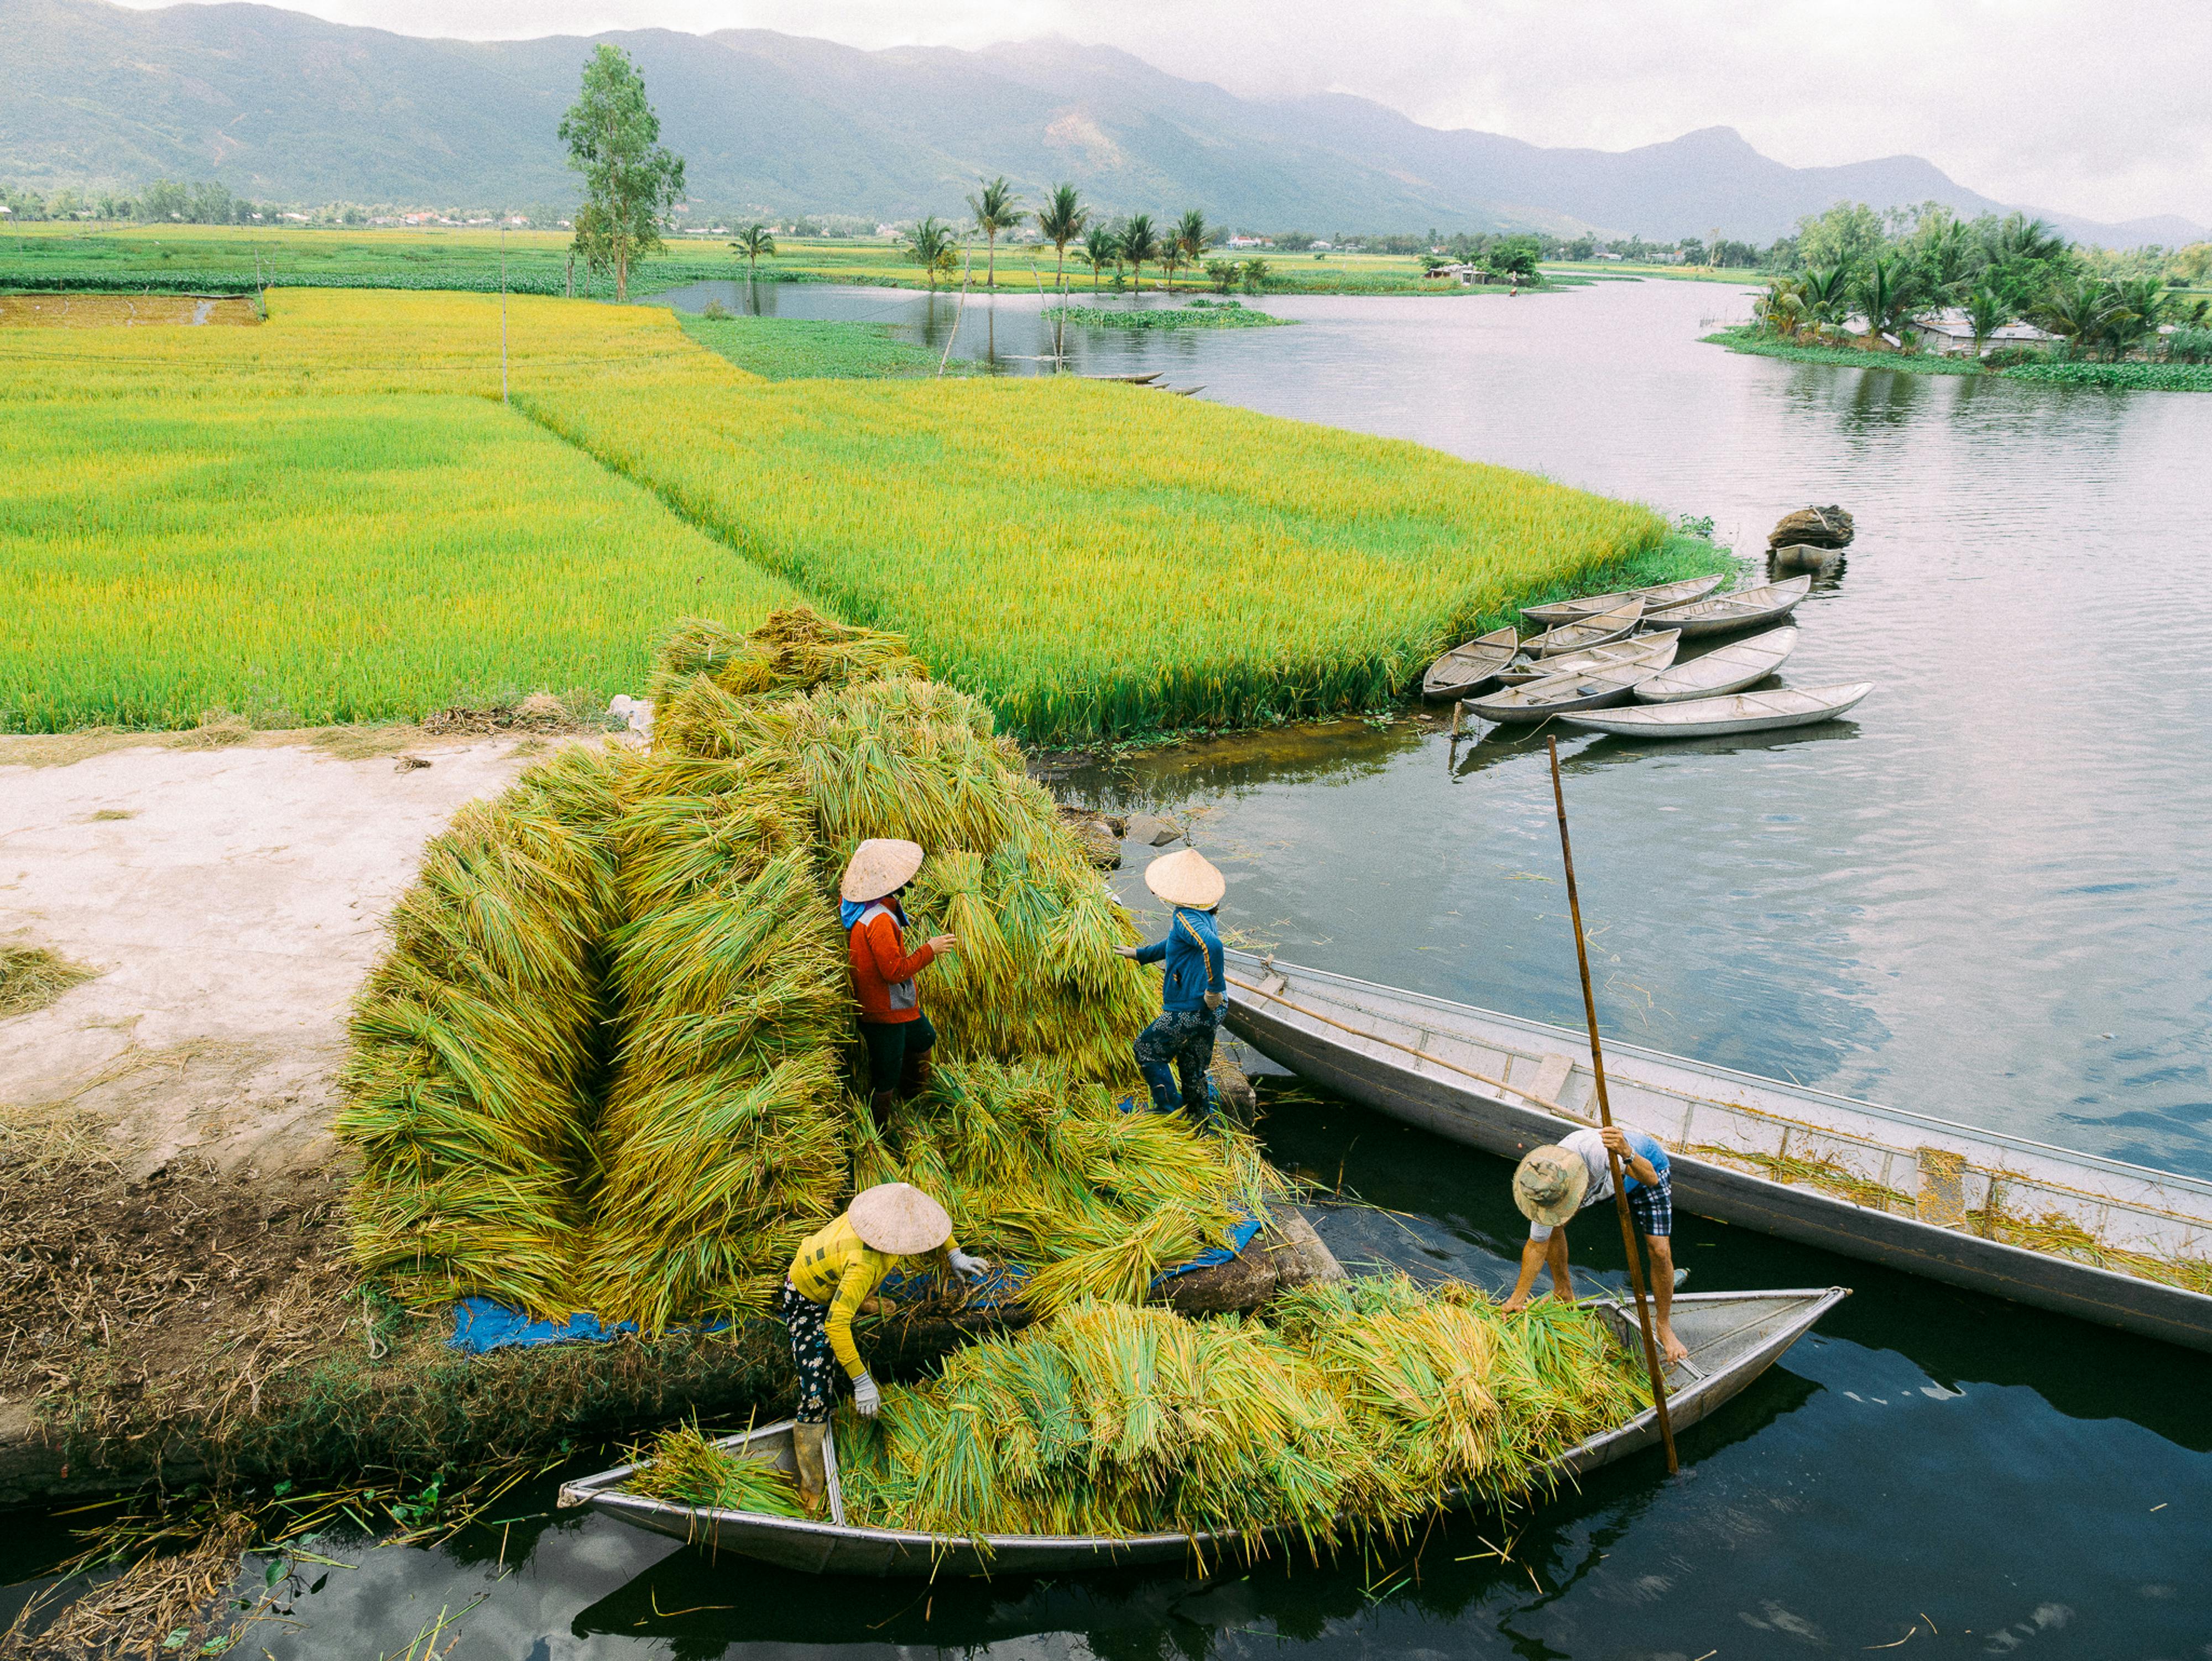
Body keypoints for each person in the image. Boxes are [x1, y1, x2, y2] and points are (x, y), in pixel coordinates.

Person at [780, 1181, 990, 1514]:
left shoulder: (885, 1216)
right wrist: (863, 1383)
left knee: (864, 1294)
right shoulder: (864, 1263)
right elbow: (835, 1324)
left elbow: (932, 1223)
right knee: (817, 1391)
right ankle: (812, 1486)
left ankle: (857, 1298)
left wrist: (954, 1254)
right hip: (808, 1297)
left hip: (841, 1272)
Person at [1503, 1124, 1688, 1365]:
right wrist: (1517, 1298)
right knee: (1553, 1226)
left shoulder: (1597, 1152)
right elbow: (1537, 1245)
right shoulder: (1544, 1187)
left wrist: (1626, 1152)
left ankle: (1664, 1325)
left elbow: (1651, 1178)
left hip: (1642, 1172)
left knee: (1660, 1251)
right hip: (1606, 1187)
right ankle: (1563, 1291)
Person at [841, 838, 957, 1135]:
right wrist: (930, 949)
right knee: (887, 1073)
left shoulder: (878, 910)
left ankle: (913, 1100)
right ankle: (879, 1131)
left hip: (900, 1006)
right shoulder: (878, 920)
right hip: (884, 1010)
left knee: (924, 1038)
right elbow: (894, 971)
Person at [1114, 847, 1227, 1122]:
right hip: (1212, 1011)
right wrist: (1141, 954)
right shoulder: (1204, 915)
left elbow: (1213, 946)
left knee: (1146, 1048)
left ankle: (1167, 1107)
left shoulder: (1184, 916)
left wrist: (1213, 988)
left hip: (1190, 1009)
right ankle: (1200, 1121)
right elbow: (1176, 944)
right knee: (1193, 1066)